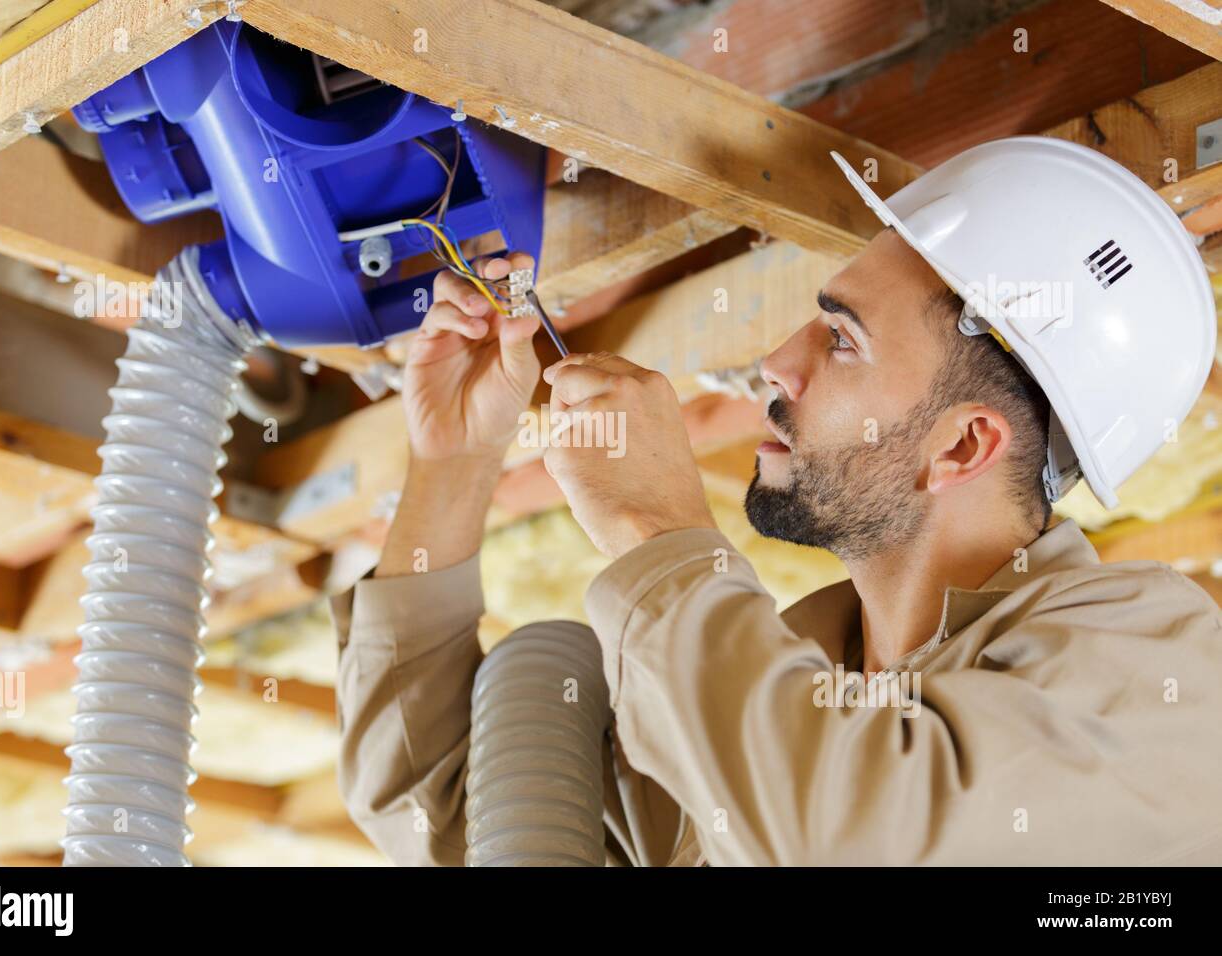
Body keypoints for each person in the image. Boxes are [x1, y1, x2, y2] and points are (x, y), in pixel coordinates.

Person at [331, 138, 1222, 865]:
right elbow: (449, 816)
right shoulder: (770, 680)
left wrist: (659, 529)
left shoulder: (1156, 683)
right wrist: (454, 461)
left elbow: (855, 836)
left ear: (961, 446)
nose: (776, 363)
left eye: (841, 339)